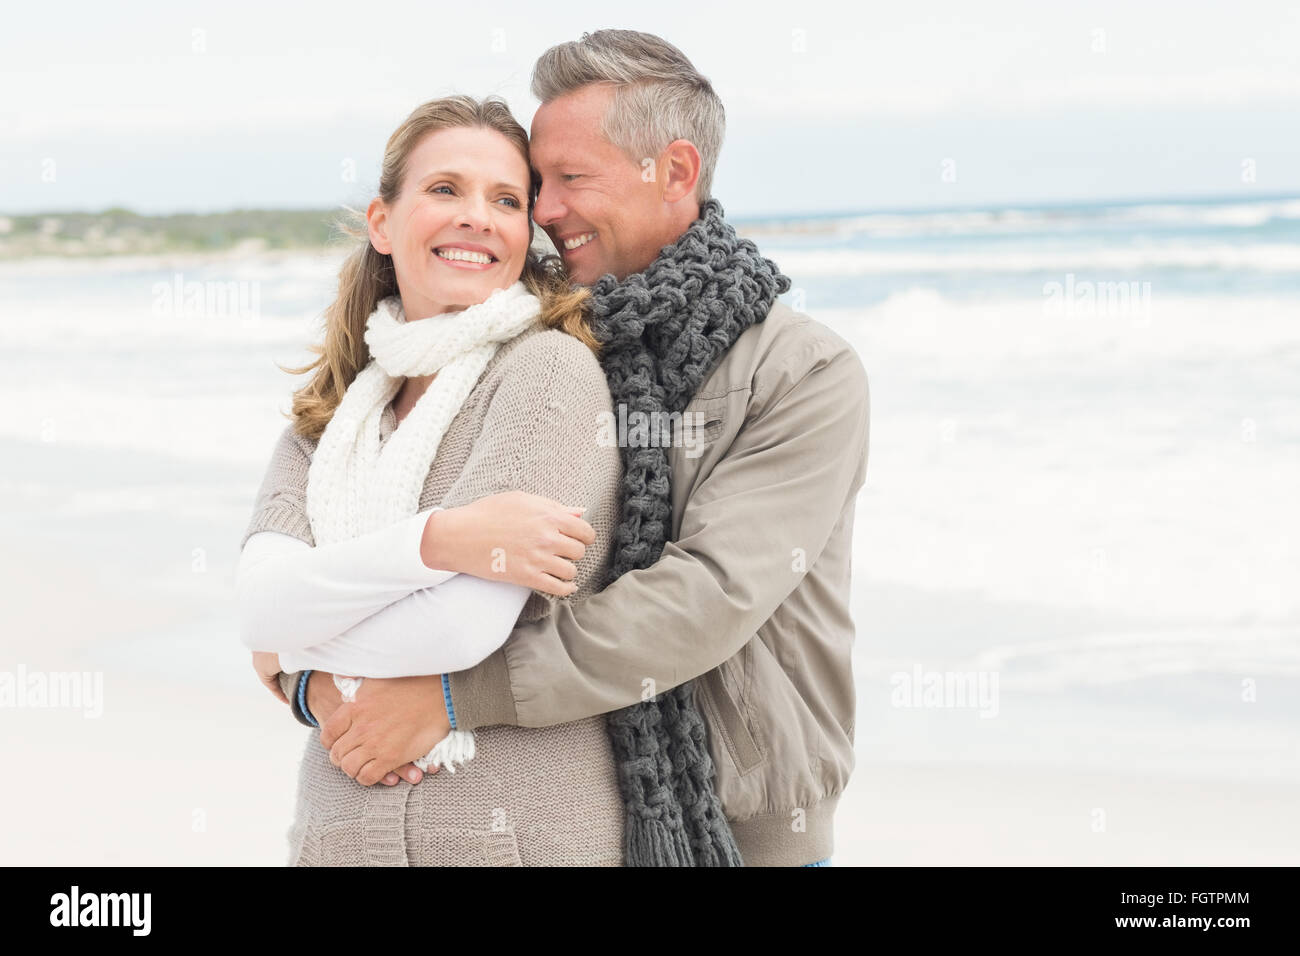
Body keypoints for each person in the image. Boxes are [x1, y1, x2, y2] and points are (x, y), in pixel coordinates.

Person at [275, 29, 870, 868]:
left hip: (745, 831)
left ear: (675, 172)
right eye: (538, 184)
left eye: (571, 179)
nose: (545, 209)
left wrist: (449, 696)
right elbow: (360, 522)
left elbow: (709, 595)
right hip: (570, 809)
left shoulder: (801, 369)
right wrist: (311, 675)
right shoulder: (531, 339)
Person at [237, 93, 630, 865]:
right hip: (337, 836)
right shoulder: (331, 417)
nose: (477, 216)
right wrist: (439, 541)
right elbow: (260, 608)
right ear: (383, 222)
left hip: (515, 841)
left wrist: (303, 660)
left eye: (507, 200)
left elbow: (458, 631)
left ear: (527, 233)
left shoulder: (547, 375)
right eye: (445, 189)